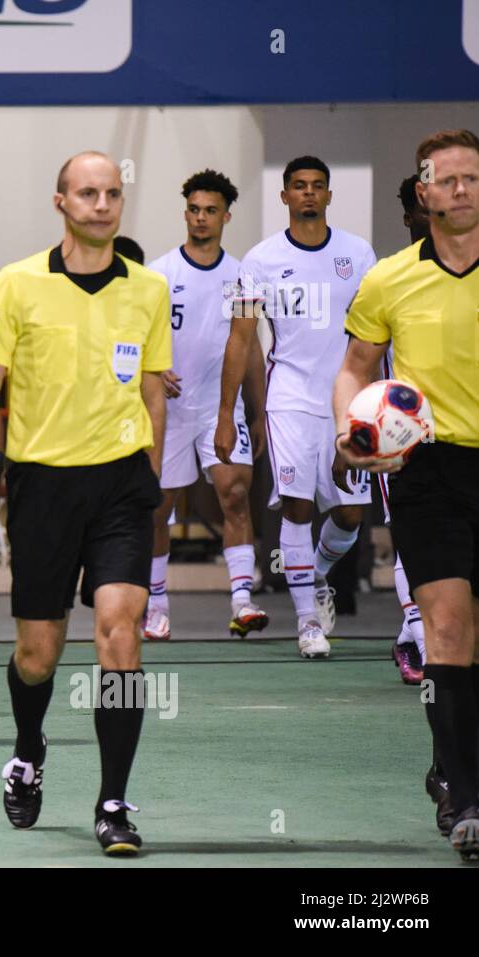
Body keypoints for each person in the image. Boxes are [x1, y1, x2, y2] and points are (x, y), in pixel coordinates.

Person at [0, 151, 170, 856]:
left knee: (120, 632)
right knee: (37, 654)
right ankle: (28, 747)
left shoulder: (148, 288)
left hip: (120, 484)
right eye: (87, 192)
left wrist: (153, 478)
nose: (102, 204)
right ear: (60, 202)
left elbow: (151, 390)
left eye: (113, 192)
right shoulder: (16, 284)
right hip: (43, 485)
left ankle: (112, 801)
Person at [333, 128, 479, 862]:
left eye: (471, 178)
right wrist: (347, 431)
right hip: (428, 473)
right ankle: (467, 796)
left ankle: (452, 761)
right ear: (422, 193)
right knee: (448, 631)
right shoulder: (389, 278)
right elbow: (354, 367)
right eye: (445, 180)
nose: (460, 189)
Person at [220, 155, 376, 658]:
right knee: (297, 505)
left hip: (347, 400)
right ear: (284, 196)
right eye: (298, 186)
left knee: (351, 513)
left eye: (317, 186)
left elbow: (378, 333)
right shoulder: (259, 260)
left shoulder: (360, 253)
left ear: (329, 196)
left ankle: (321, 576)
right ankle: (308, 622)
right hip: (288, 398)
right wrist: (229, 413)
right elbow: (241, 339)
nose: (308, 193)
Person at [144, 170, 268, 640]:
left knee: (235, 493)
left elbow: (251, 348)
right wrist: (152, 373)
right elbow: (134, 338)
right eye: (194, 210)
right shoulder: (158, 274)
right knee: (157, 508)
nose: (200, 218)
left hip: (222, 406)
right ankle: (156, 605)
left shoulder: (243, 276)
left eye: (210, 210)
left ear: (226, 216)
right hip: (169, 409)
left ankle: (241, 600)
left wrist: (257, 412)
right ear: (186, 214)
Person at [386, 174, 430, 684]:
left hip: (464, 432)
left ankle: (408, 635)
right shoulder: (387, 278)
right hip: (400, 432)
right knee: (409, 537)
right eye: (422, 209)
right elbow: (357, 361)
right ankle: (420, 638)